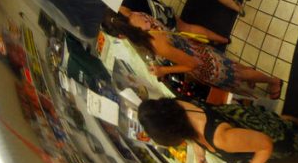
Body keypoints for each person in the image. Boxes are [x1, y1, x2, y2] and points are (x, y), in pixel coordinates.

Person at [102, 10, 278, 98]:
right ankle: (252, 77)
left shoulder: (155, 42)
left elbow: (192, 64)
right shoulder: (132, 14)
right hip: (195, 47)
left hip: (204, 63)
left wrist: (164, 71)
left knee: (234, 74)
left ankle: (272, 81)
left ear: (121, 36)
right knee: (233, 67)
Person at [138, 98, 298, 163]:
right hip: (244, 119)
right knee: (280, 121)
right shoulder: (177, 105)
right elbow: (195, 131)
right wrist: (200, 152)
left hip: (267, 136)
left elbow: (265, 145)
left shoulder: (221, 140)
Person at [119, 0, 229, 46]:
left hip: (152, 24)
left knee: (180, 41)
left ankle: (205, 48)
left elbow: (129, 18)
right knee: (187, 28)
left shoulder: (115, 6)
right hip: (157, 9)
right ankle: (222, 39)